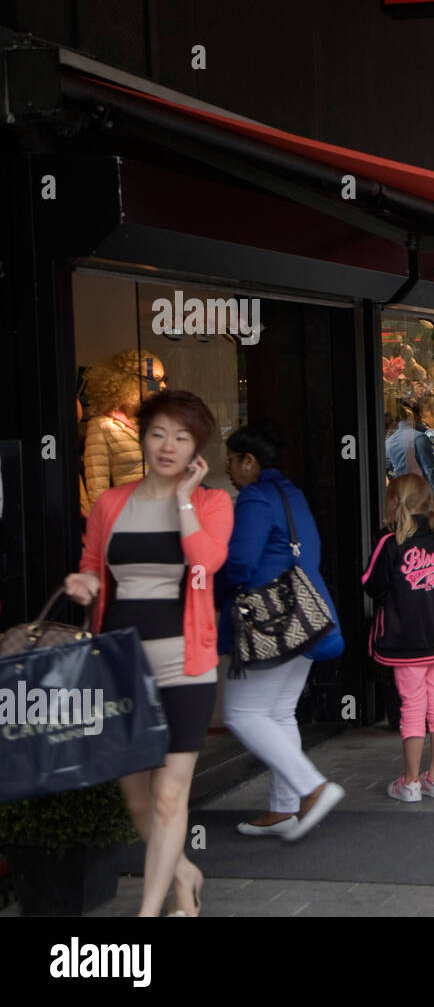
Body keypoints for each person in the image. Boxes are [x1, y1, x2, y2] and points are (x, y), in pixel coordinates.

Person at [65, 390, 231, 917]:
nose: (167, 445)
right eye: (159, 433)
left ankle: (148, 914)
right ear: (144, 437)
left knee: (168, 797)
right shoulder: (111, 502)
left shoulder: (212, 503)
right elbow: (94, 562)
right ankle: (185, 872)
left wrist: (183, 499)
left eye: (181, 437)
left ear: (196, 450)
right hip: (120, 666)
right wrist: (85, 582)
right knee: (137, 799)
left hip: (186, 663)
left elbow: (207, 561)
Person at [215, 421, 346, 840]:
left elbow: (240, 563)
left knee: (241, 712)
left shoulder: (254, 498)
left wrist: (213, 590)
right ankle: (284, 807)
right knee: (279, 712)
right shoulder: (292, 494)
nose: (229, 470)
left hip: (271, 622)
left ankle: (312, 788)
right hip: (307, 617)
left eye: (231, 462)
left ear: (249, 461)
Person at [363, 474, 434, 802]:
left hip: (403, 641)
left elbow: (372, 585)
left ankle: (409, 782)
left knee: (412, 708)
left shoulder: (388, 540)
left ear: (393, 504)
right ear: (430, 503)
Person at [82, 349, 166, 508]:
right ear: (131, 381)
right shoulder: (102, 426)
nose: (162, 385)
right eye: (155, 379)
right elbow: (98, 489)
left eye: (163, 379)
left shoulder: (156, 421)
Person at [386, 399, 434, 485]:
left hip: (400, 486)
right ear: (413, 417)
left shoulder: (389, 441)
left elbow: (387, 467)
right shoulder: (419, 437)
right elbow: (429, 468)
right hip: (419, 486)